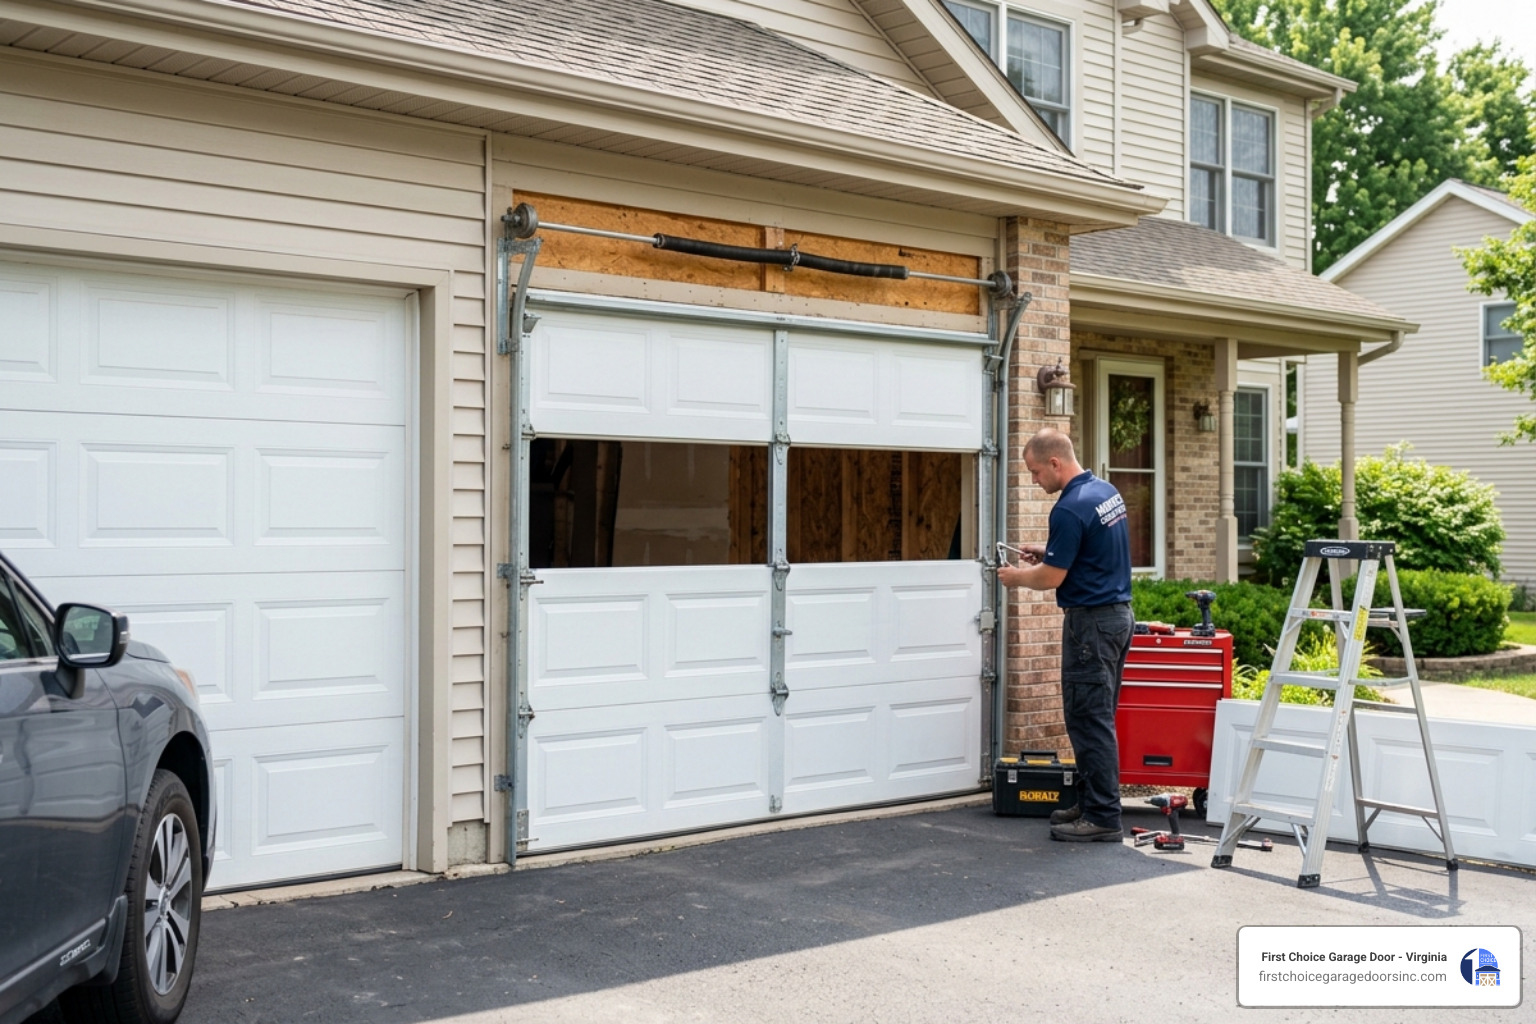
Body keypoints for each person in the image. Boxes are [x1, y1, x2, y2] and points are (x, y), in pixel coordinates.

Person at [997, 428, 1133, 843]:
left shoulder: (1069, 508)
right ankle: (1092, 803)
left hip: (1090, 625)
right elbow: (1085, 551)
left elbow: (1052, 577)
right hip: (1117, 616)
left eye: (1037, 473)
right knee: (1099, 717)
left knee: (1087, 719)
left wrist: (1017, 576)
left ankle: (1103, 817)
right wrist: (1047, 548)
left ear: (1055, 463)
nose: (1036, 482)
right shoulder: (1105, 491)